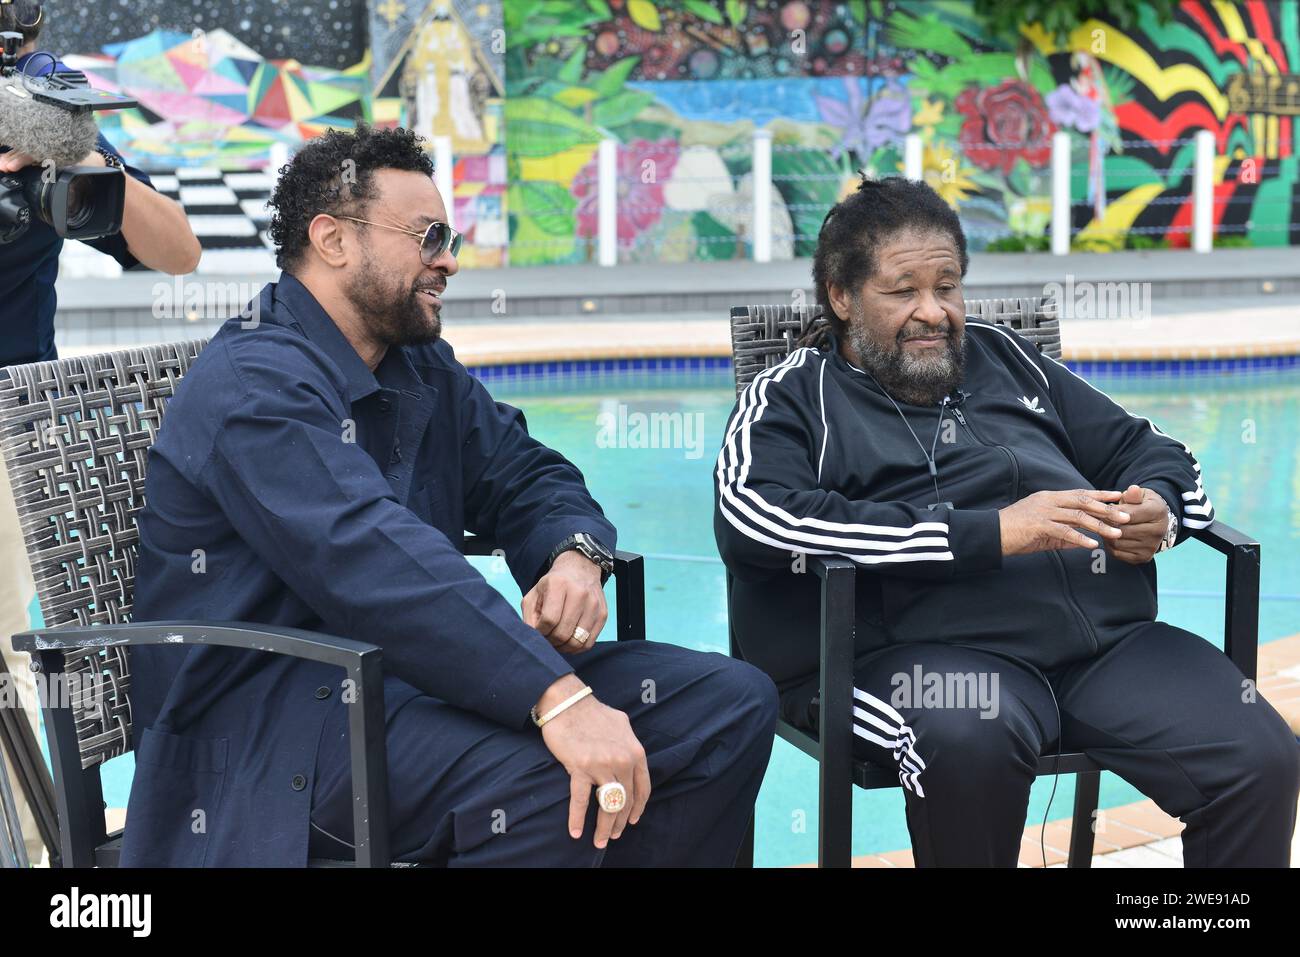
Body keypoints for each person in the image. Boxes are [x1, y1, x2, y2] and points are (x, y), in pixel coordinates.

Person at [121, 124, 777, 867]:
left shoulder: (418, 364)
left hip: (408, 680)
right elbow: (369, 559)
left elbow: (527, 471)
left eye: (451, 236)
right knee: (543, 781)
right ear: (333, 239)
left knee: (730, 706)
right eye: (429, 235)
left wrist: (572, 555)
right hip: (270, 727)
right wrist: (556, 697)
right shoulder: (255, 385)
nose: (451, 260)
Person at [714, 175, 1299, 867]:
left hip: (1102, 649)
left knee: (1260, 758)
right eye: (903, 291)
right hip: (923, 657)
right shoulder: (790, 397)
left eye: (948, 286)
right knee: (970, 737)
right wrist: (990, 533)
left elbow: (1148, 446)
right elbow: (758, 516)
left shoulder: (1003, 356)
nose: (933, 312)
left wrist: (1162, 510)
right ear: (842, 297)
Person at [0, 0, 200, 867]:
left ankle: (37, 845)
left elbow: (178, 251)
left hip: (7, 421)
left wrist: (72, 152)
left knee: (10, 648)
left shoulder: (42, 112)